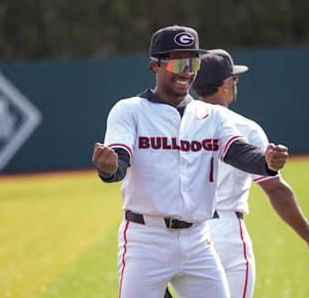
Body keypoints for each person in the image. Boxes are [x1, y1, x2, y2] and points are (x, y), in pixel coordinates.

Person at [92, 25, 290, 298]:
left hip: (197, 239)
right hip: (146, 240)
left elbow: (239, 152)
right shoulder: (130, 110)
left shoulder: (212, 115)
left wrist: (266, 161)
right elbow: (120, 161)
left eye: (193, 62)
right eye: (178, 62)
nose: (186, 71)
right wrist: (110, 168)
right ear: (155, 64)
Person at [188, 49, 309, 298]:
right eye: (234, 79)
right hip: (226, 231)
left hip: (187, 232)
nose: (236, 83)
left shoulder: (177, 123)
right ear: (225, 85)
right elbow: (276, 189)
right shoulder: (243, 127)